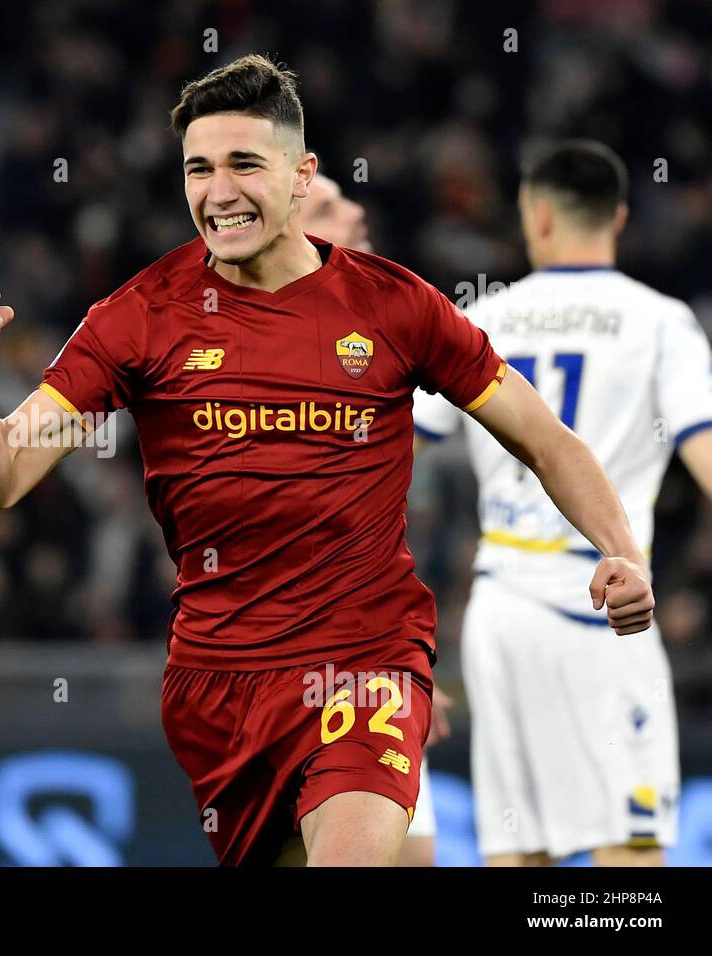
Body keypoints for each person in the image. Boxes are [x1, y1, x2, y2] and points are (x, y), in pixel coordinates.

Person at [0, 54, 655, 866]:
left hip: (367, 662)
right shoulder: (137, 319)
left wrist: (623, 553)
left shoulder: (395, 306)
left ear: (300, 173)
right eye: (198, 169)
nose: (219, 192)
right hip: (218, 685)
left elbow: (544, 437)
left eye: (245, 163)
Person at [414, 140, 712, 866]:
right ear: (617, 216)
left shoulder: (486, 316)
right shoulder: (658, 321)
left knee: (518, 846)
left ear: (537, 216)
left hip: (502, 605)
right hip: (607, 604)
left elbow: (387, 464)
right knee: (631, 843)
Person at [293, 171, 449, 867]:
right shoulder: (245, 352)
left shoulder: (388, 320)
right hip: (280, 664)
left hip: (373, 657)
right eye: (328, 206)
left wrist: (407, 660)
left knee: (414, 856)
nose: (356, 208)